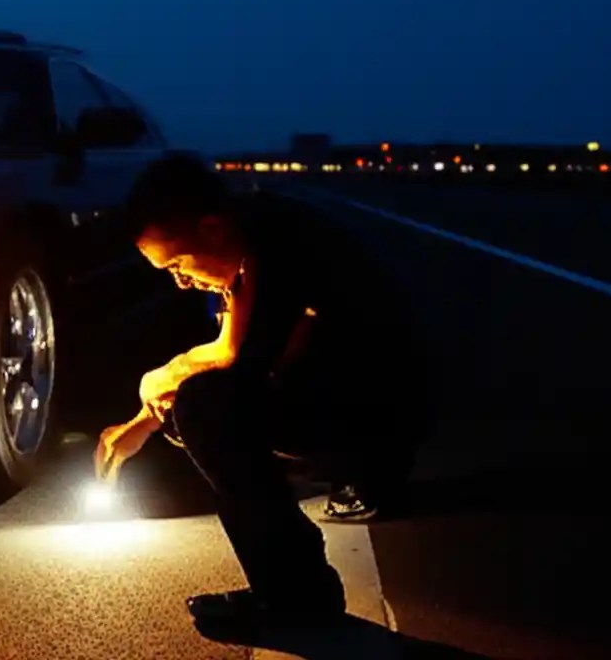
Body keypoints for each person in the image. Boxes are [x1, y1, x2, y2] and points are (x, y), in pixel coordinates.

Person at [93, 154, 422, 628]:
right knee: (187, 408)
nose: (182, 283)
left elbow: (238, 363)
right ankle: (351, 487)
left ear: (211, 228)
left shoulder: (277, 245)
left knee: (204, 410)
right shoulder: (250, 238)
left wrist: (161, 378)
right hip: (360, 402)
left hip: (380, 415)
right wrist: (142, 422)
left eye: (178, 264)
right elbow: (233, 348)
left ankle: (297, 594)